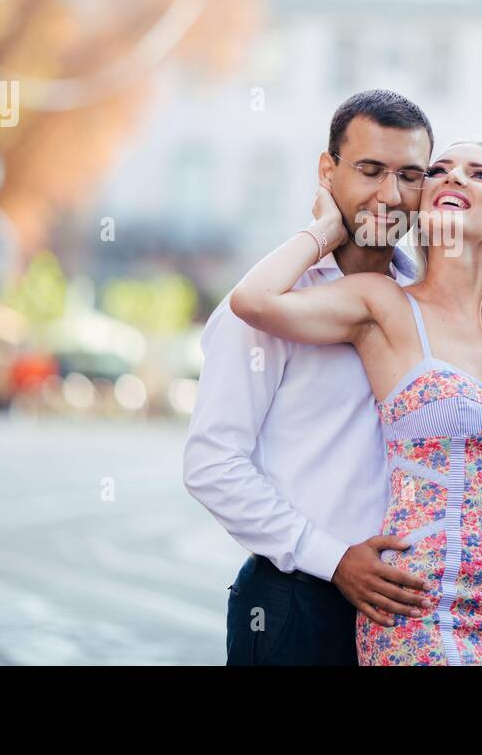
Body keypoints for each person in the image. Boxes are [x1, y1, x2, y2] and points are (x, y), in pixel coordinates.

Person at [229, 138, 482, 665]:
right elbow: (253, 301)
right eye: (439, 170)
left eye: (479, 174)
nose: (454, 177)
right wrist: (326, 229)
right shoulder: (383, 304)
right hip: (417, 606)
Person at [183, 91, 437, 666]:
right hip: (295, 605)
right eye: (370, 170)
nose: (390, 196)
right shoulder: (271, 304)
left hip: (409, 615)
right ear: (328, 170)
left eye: (410, 176)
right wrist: (332, 557)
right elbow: (211, 464)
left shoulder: (426, 306)